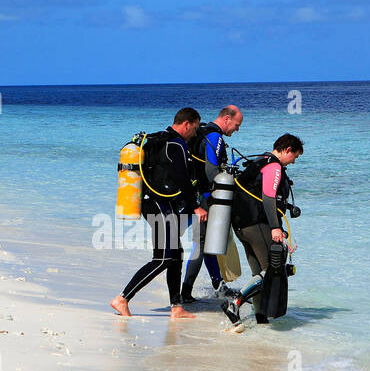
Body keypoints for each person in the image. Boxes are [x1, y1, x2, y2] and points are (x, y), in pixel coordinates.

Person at [111, 107, 206, 320]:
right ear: (187, 124)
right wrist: (195, 206)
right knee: (164, 257)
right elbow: (183, 178)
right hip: (159, 205)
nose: (195, 133)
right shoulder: (177, 144)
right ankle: (122, 298)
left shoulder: (158, 140)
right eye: (195, 127)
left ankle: (176, 307)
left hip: (157, 204)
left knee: (176, 256)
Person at [223, 133, 304, 325]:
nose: (293, 162)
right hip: (256, 225)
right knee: (270, 271)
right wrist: (275, 228)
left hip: (241, 226)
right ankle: (234, 303)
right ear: (287, 150)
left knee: (258, 273)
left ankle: (260, 317)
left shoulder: (258, 162)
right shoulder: (273, 166)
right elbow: (268, 198)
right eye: (295, 157)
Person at [181, 104, 243, 303]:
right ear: (226, 119)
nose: (237, 129)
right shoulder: (215, 137)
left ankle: (218, 286)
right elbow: (210, 171)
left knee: (206, 244)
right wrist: (225, 190)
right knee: (200, 245)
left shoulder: (202, 132)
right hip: (206, 198)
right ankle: (184, 292)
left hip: (194, 195)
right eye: (236, 124)